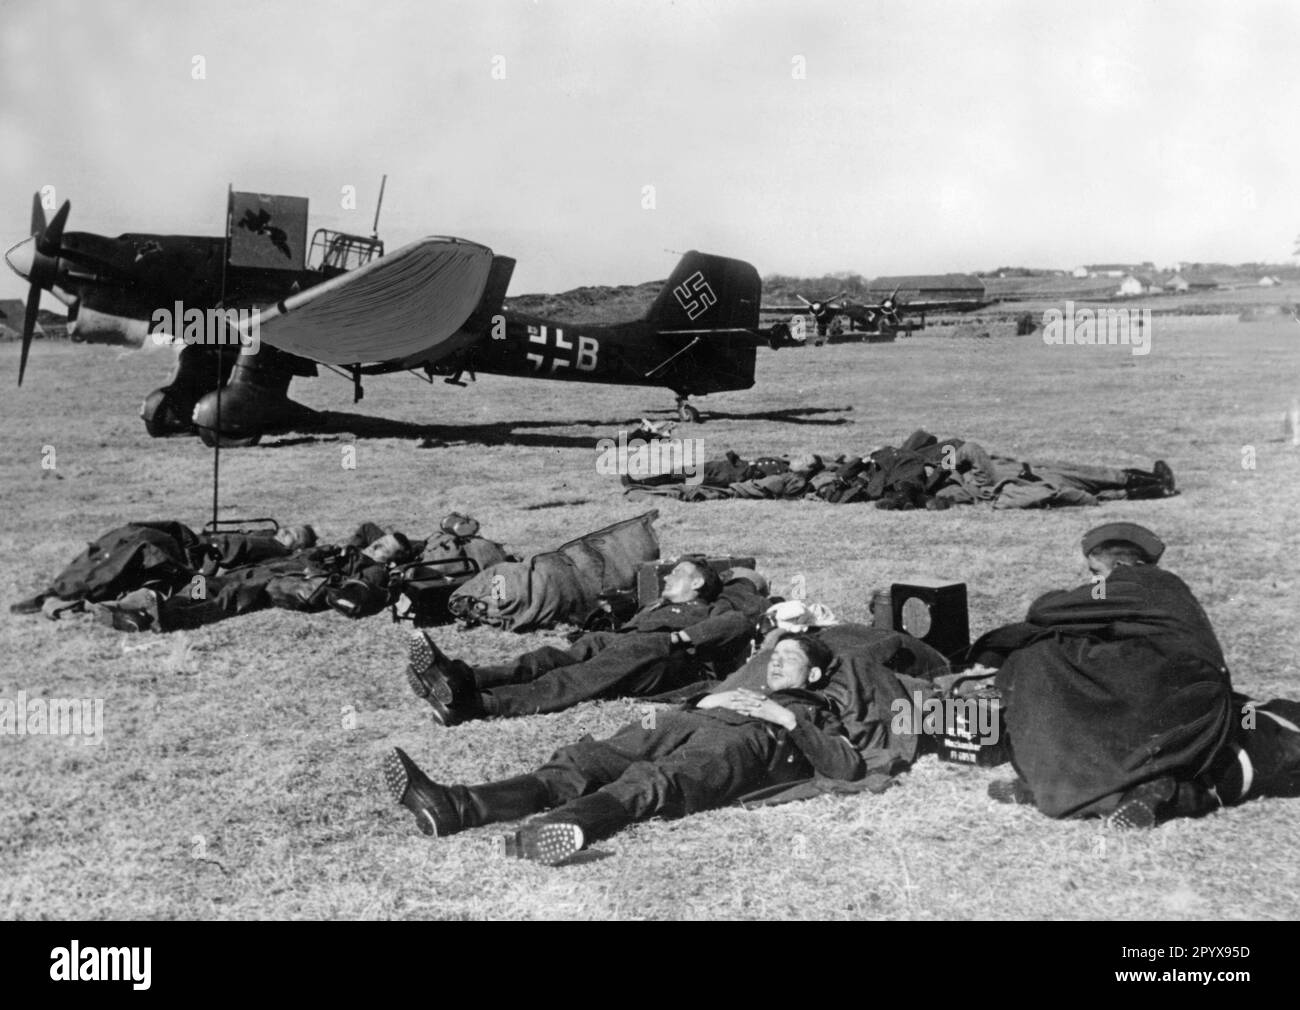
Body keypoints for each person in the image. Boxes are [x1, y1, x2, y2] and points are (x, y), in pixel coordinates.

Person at [383, 633, 863, 864]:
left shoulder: (815, 708)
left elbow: (845, 763)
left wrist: (783, 716)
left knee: (654, 782)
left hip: (746, 743)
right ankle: (455, 805)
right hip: (692, 718)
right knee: (585, 758)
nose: (776, 664)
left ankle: (559, 827)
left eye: (790, 660)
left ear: (814, 676)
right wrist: (708, 698)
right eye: (774, 656)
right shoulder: (746, 684)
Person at [981, 522, 1300, 828]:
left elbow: (1046, 610)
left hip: (1177, 706)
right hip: (1187, 700)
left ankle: (1050, 783)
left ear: (1120, 565)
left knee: (1040, 659)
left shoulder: (1129, 583)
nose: (1094, 583)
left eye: (1096, 573)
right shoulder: (1161, 585)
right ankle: (1056, 781)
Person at [404, 558, 764, 723]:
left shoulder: (716, 606)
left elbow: (739, 620)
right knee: (548, 658)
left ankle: (478, 705)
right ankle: (462, 677)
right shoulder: (661, 603)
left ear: (698, 584)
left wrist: (681, 637)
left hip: (659, 654)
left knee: (575, 680)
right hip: (624, 641)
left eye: (679, 573)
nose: (668, 576)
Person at [931, 442, 1175, 508]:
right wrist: (942, 469)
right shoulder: (970, 479)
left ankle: (1157, 488)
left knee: (1100, 490)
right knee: (1098, 476)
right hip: (1034, 477)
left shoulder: (964, 480)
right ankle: (1157, 484)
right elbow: (971, 448)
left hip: (1032, 475)